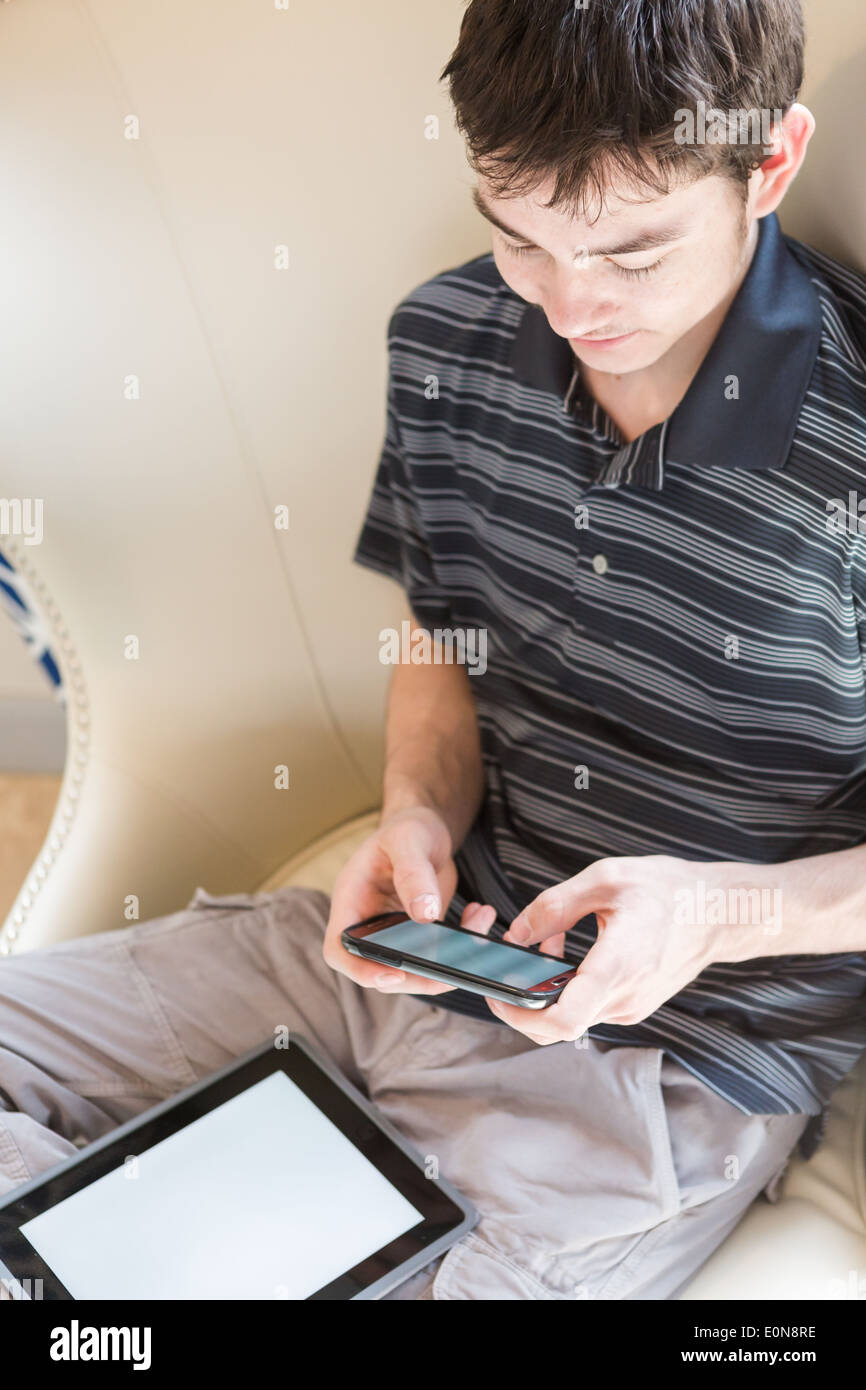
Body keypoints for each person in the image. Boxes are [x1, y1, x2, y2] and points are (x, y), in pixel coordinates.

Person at [2, 0, 866, 1301]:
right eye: (518, 234)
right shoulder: (454, 339)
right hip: (414, 949)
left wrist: (714, 912)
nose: (574, 304)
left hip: (664, 1070)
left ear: (771, 163)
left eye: (633, 250)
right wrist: (414, 808)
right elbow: (443, 640)